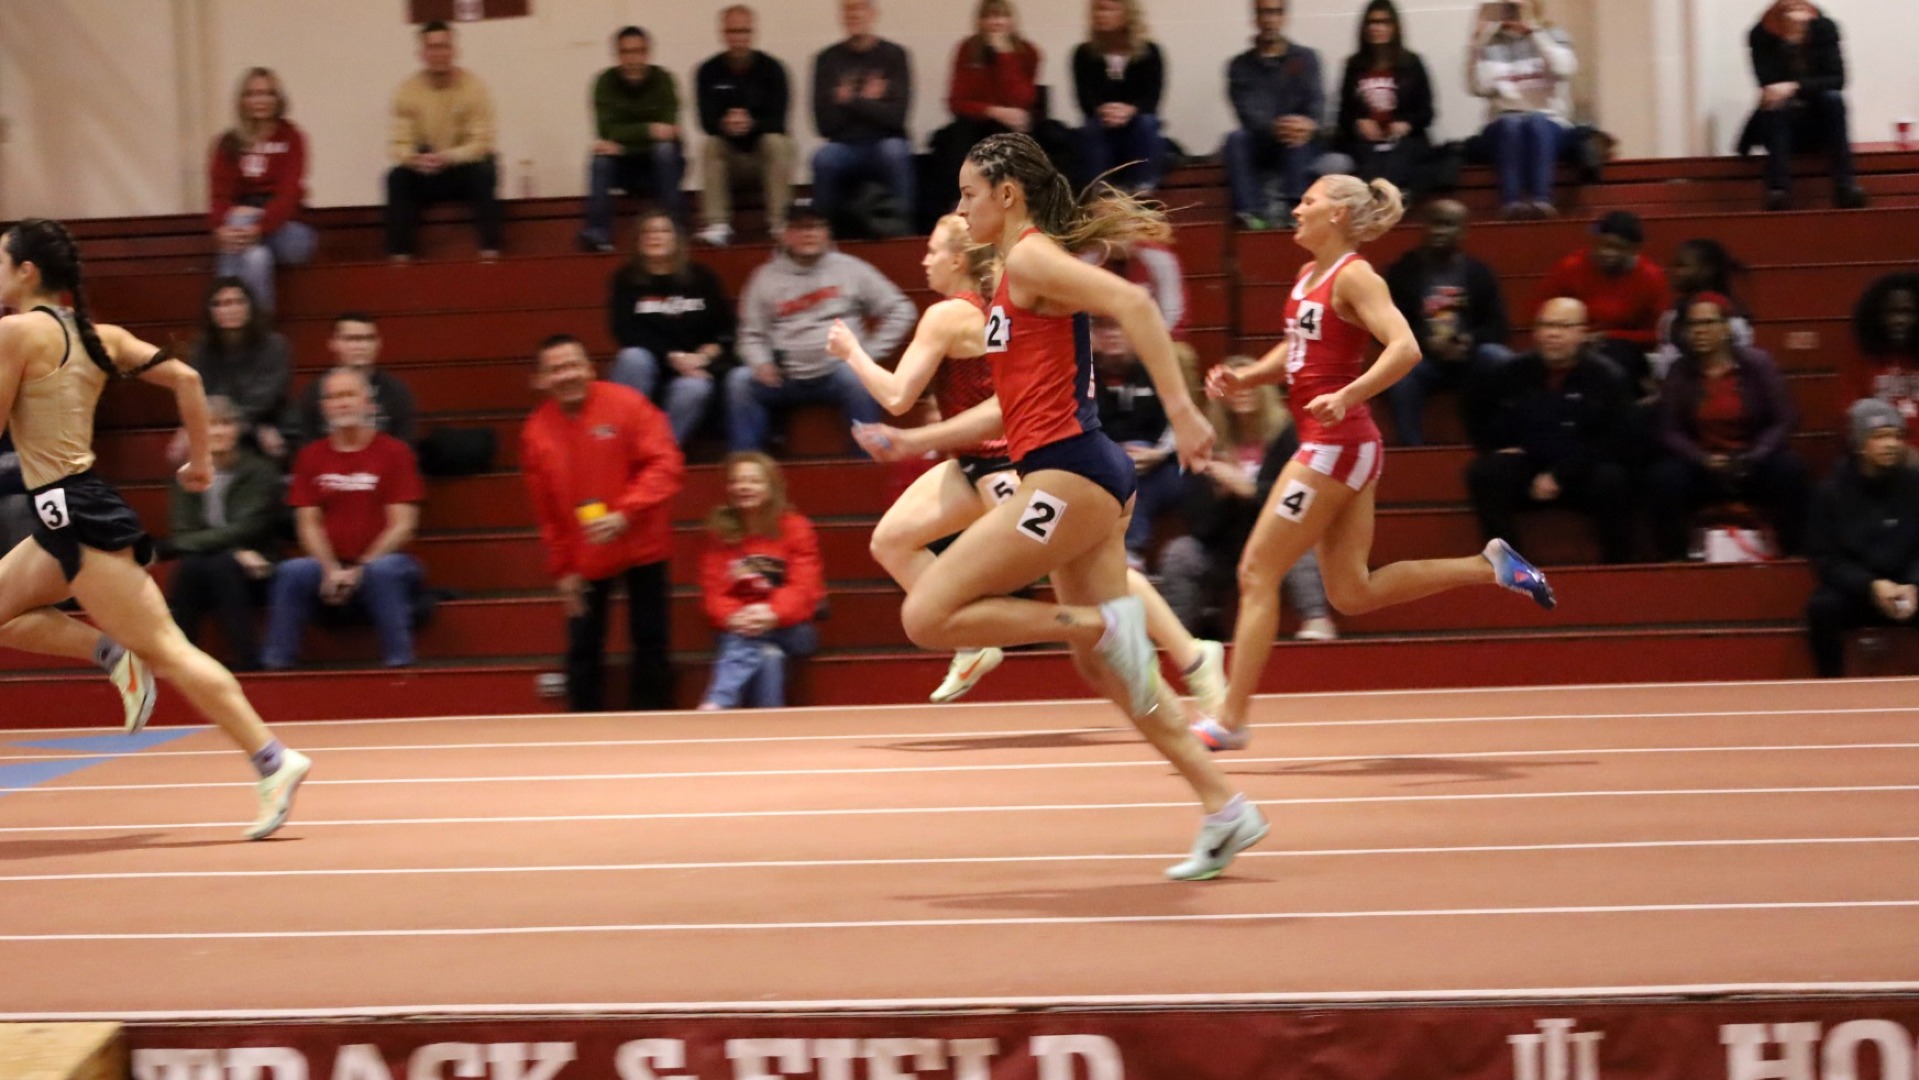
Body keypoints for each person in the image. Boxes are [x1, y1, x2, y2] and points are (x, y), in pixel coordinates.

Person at [852, 132, 1259, 881]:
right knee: (1107, 671)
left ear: (1007, 195)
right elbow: (1004, 411)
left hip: (1067, 475)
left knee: (926, 616)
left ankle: (1105, 619)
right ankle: (1223, 807)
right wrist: (918, 441)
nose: (959, 206)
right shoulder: (1010, 277)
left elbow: (1134, 303)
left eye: (968, 192)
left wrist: (1184, 410)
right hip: (1077, 474)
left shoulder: (1032, 256)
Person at [1196, 175, 1557, 755]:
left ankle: (1232, 717)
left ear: (1337, 214)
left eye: (1307, 200)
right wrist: (1247, 376)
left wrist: (1348, 395)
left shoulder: (1356, 275)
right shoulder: (1308, 275)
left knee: (1256, 572)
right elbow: (1295, 353)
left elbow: (1406, 347)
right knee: (1352, 594)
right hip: (1341, 444)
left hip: (1335, 443)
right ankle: (1488, 566)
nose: (1295, 208)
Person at [828, 214, 1226, 709]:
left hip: (1011, 467)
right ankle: (974, 641)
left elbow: (897, 396)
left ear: (957, 258)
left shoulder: (952, 314)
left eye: (931, 250)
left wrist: (851, 353)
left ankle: (1190, 655)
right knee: (892, 540)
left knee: (1087, 579)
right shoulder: (992, 307)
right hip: (971, 461)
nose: (924, 259)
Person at [0, 218, 309, 839]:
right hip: (64, 514)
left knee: (170, 649)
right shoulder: (98, 334)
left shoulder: (15, 332)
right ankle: (109, 652)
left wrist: (201, 458)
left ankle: (273, 758)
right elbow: (188, 379)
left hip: (77, 518)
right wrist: (200, 460)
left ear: (26, 272)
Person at [523, 335, 684, 712]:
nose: (567, 375)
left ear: (590, 368)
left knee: (650, 639)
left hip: (642, 543)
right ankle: (582, 732)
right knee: (583, 646)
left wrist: (625, 513)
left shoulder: (628, 405)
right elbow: (546, 510)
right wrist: (561, 569)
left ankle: (655, 726)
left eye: (573, 365)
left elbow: (666, 465)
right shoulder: (535, 432)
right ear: (541, 379)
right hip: (585, 553)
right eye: (556, 369)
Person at [1159, 354, 1338, 642]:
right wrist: (1220, 494)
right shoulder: (1209, 441)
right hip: (1225, 547)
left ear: (1264, 388)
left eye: (1249, 384)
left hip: (1273, 543)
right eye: (1233, 387)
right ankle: (1175, 640)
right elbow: (1197, 520)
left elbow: (1301, 499)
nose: (1242, 392)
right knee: (1179, 553)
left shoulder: (1287, 436)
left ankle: (1317, 619)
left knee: (1301, 543)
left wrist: (1249, 490)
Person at [264, 366, 425, 669]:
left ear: (368, 403)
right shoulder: (311, 456)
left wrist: (360, 568)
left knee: (383, 571)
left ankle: (400, 665)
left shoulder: (395, 452)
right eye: (334, 397)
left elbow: (403, 525)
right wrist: (330, 569)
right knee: (291, 572)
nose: (342, 403)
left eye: (350, 395)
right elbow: (307, 523)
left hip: (388, 561)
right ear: (324, 407)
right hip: (332, 562)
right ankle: (277, 667)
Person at [726, 200, 914, 455]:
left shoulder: (851, 269)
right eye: (800, 228)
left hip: (839, 373)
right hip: (785, 377)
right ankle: (748, 465)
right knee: (739, 382)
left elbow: (901, 309)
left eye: (815, 227)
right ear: (785, 235)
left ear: (827, 232)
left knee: (859, 379)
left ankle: (867, 466)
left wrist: (866, 355)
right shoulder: (764, 277)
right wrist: (760, 362)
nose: (809, 234)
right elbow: (750, 333)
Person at [1464, 298, 1634, 563]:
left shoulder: (1607, 377)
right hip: (1530, 465)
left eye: (1562, 326)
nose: (1551, 334)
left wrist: (1559, 476)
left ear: (1582, 332)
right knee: (1484, 473)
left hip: (1582, 471)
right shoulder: (1513, 372)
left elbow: (1613, 440)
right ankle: (1508, 564)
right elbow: (1478, 413)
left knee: (1613, 478)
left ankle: (1618, 564)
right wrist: (1495, 447)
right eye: (1544, 325)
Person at [1647, 292, 1810, 561]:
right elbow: (1668, 429)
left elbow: (1786, 418)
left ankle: (1795, 554)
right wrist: (1703, 459)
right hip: (1702, 467)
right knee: (1664, 479)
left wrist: (1753, 456)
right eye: (1693, 325)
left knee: (1791, 471)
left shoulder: (1758, 364)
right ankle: (1673, 559)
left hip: (1753, 462)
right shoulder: (1679, 371)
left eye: (1708, 323)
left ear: (1725, 327)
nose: (1699, 331)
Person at [697, 452, 825, 709]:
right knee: (768, 656)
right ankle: (769, 726)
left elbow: (804, 587)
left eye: (753, 481)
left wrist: (771, 612)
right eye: (737, 481)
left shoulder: (796, 528)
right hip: (737, 625)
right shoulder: (721, 533)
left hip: (793, 627)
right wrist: (734, 616)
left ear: (772, 487)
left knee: (748, 640)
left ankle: (718, 702)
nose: (744, 487)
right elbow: (714, 593)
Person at [161, 396, 280, 670]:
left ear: (237, 429)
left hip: (260, 567)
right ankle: (181, 664)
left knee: (210, 565)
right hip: (221, 564)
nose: (217, 432)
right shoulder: (187, 474)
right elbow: (181, 534)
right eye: (208, 425)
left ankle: (247, 661)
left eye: (225, 424)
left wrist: (228, 551)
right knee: (196, 566)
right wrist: (234, 551)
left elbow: (250, 527)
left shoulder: (260, 472)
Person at [929, 0, 1074, 225]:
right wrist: (993, 110)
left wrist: (1005, 55)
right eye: (989, 17)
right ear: (980, 22)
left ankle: (1036, 210)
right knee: (955, 136)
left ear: (1012, 21)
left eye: (1002, 16)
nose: (996, 22)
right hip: (979, 120)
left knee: (1045, 137)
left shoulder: (1028, 52)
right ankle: (960, 205)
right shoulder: (967, 50)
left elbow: (1022, 99)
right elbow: (956, 102)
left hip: (1014, 122)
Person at [1381, 198, 1509, 446]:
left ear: (1463, 231)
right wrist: (1426, 343)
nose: (1440, 231)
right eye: (1435, 223)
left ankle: (1498, 441)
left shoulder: (1479, 272)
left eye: (1448, 225)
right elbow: (1384, 326)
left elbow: (1497, 326)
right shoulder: (1402, 271)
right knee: (1399, 374)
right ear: (1424, 226)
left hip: (1469, 357)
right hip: (1421, 357)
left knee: (1499, 358)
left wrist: (1468, 341)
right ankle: (1413, 449)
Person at [1805, 400, 1919, 677]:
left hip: (1910, 589)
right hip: (1858, 593)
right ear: (1858, 444)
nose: (1891, 444)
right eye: (1880, 437)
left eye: (1896, 436)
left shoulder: (1916, 485)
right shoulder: (1830, 493)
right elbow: (1826, 560)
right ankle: (1830, 687)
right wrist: (1871, 585)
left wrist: (1914, 584)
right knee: (1822, 607)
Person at [607, 209, 736, 444]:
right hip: (648, 368)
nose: (655, 236)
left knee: (696, 387)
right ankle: (622, 442)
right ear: (638, 240)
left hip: (693, 368)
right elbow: (625, 331)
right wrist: (672, 356)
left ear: (677, 238)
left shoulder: (702, 277)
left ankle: (657, 452)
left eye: (664, 230)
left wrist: (703, 357)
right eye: (648, 231)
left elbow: (727, 330)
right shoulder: (625, 279)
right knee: (632, 357)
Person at [384, 20, 501, 261]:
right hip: (425, 171)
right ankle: (400, 256)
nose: (439, 53)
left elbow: (482, 142)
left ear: (455, 51)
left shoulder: (474, 87)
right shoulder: (407, 90)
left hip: (462, 170)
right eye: (432, 47)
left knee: (487, 170)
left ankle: (490, 251)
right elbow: (398, 144)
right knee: (396, 178)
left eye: (444, 46)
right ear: (421, 53)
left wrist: (448, 157)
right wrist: (415, 159)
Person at [1742, 0, 1867, 212]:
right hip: (1783, 124)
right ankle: (1778, 190)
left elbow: (1837, 79)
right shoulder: (1761, 33)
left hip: (1821, 122)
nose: (1795, 12)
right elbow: (1769, 85)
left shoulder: (1824, 27)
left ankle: (1845, 186)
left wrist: (1795, 85)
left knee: (1833, 99)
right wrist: (1790, 42)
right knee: (1777, 104)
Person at [207, 67, 314, 314]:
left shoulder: (292, 138)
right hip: (243, 231)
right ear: (242, 100)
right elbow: (219, 195)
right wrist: (222, 228)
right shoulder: (229, 142)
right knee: (256, 258)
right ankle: (257, 333)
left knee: (241, 219)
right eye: (253, 94)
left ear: (278, 99)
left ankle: (220, 315)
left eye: (267, 94)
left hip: (290, 232)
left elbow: (289, 195)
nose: (260, 100)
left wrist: (258, 224)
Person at [810, 0, 915, 236]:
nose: (854, 15)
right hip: (843, 144)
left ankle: (904, 232)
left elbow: (896, 118)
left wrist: (850, 100)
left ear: (873, 14)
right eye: (848, 9)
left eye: (860, 8)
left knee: (896, 153)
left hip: (885, 141)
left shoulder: (894, 56)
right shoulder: (827, 59)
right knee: (823, 158)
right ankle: (821, 234)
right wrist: (871, 103)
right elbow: (824, 124)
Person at [1535, 211, 1671, 393]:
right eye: (1602, 244)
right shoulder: (1570, 267)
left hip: (1626, 352)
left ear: (1634, 249)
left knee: (1614, 354)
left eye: (1617, 247)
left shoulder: (1651, 277)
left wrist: (1610, 336)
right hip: (1573, 343)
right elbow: (1541, 312)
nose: (1607, 252)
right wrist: (1578, 337)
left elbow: (1658, 334)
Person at [694, 5, 795, 247]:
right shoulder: (708, 71)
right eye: (733, 31)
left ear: (753, 33)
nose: (738, 38)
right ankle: (717, 223)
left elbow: (779, 121)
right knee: (711, 144)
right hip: (730, 161)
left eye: (744, 31)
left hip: (764, 158)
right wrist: (726, 124)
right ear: (723, 34)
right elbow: (706, 123)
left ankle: (780, 223)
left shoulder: (773, 69)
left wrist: (751, 124)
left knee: (776, 142)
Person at [1223, 0, 1328, 231]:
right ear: (1255, 19)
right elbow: (1247, 112)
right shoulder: (1239, 66)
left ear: (1284, 17)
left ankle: (1295, 212)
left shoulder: (1307, 58)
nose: (1269, 19)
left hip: (1301, 140)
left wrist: (1307, 124)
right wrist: (1276, 127)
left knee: (1299, 142)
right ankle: (1250, 214)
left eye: (1275, 12)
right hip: (1263, 141)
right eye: (1264, 13)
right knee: (1235, 139)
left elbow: (1316, 103)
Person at [1468, 0, 1577, 218]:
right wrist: (1477, 43)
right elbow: (1479, 86)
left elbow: (1565, 68)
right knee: (1512, 124)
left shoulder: (1553, 35)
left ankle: (1541, 200)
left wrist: (1534, 30)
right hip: (1503, 123)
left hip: (1549, 122)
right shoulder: (1489, 42)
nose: (1512, 10)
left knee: (1536, 122)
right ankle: (1511, 204)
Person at [581, 26, 686, 253]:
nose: (632, 58)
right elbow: (607, 132)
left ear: (648, 53)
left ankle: (675, 229)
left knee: (665, 150)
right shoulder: (604, 83)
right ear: (617, 56)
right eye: (626, 52)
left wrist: (625, 139)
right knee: (600, 159)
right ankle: (599, 234)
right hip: (624, 168)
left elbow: (669, 130)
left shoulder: (664, 80)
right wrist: (649, 130)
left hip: (660, 167)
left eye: (638, 51)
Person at [179, 277, 292, 464]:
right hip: (218, 424)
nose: (229, 309)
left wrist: (242, 425)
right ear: (211, 311)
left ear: (250, 307)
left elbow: (267, 398)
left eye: (237, 302)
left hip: (266, 420)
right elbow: (199, 394)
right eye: (220, 304)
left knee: (273, 440)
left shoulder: (275, 345)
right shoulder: (201, 349)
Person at [1333, 0, 1436, 199]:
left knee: (1399, 158)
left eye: (1384, 23)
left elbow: (1427, 112)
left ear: (1394, 27)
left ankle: (1388, 200)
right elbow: (1343, 115)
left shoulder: (1412, 64)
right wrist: (1358, 124)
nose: (1377, 28)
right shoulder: (1354, 66)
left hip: (1404, 141)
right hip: (1364, 143)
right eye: (1372, 23)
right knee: (1367, 160)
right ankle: (1379, 201)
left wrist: (1407, 124)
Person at [283, 312, 418, 455]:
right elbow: (306, 446)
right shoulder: (314, 392)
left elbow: (405, 447)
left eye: (368, 339)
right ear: (333, 343)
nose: (361, 346)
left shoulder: (396, 391)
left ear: (379, 343)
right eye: (351, 339)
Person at [1074, 0, 1167, 195]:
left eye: (1108, 9)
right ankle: (1100, 191)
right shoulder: (1083, 54)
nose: (1101, 15)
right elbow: (1085, 100)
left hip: (1136, 124)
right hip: (1102, 123)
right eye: (1097, 10)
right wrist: (1106, 110)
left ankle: (1143, 189)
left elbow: (1152, 99)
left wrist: (1129, 110)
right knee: (1091, 128)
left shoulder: (1150, 52)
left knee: (1148, 123)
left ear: (1127, 13)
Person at [1655, 239, 1753, 377]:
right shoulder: (1672, 314)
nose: (1674, 272)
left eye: (1682, 266)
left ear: (1708, 270)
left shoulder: (1732, 319)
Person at [1848, 271, 1919, 438]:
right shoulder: (1862, 359)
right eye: (1891, 313)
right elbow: (1850, 414)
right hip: (1883, 450)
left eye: (1907, 312)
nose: (1899, 320)